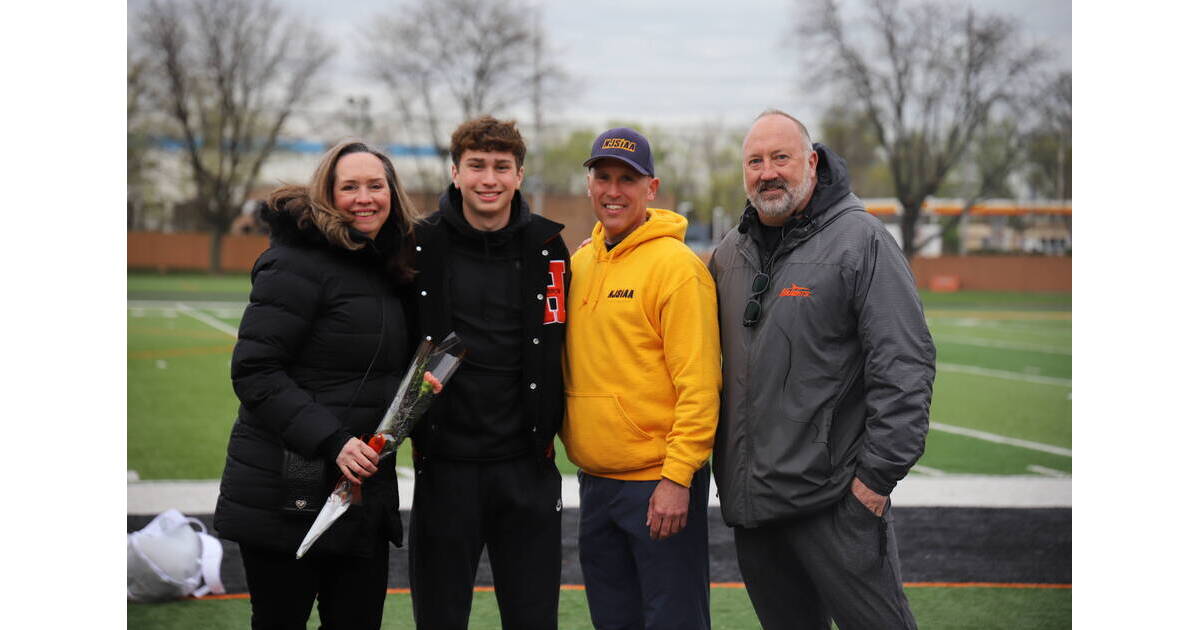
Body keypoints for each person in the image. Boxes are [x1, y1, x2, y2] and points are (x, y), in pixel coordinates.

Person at [707, 110, 936, 630]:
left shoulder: (860, 239)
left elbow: (906, 364)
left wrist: (874, 482)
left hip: (836, 505)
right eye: (755, 161)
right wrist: (611, 248)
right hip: (757, 510)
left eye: (781, 158)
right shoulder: (730, 252)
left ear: (811, 163)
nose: (767, 172)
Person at [214, 141, 422, 629]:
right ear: (327, 194)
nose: (364, 198)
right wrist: (334, 441)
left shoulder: (389, 265)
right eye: (349, 187)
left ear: (393, 194)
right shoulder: (294, 261)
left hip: (359, 495)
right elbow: (256, 371)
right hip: (286, 489)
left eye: (376, 186)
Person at [407, 116, 570, 630]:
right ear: (455, 172)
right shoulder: (418, 244)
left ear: (519, 175)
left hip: (526, 467)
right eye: (476, 165)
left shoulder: (549, 246)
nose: (489, 179)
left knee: (533, 618)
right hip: (445, 467)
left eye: (502, 167)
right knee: (439, 617)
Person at [561, 127, 722, 630]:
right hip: (596, 483)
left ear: (651, 189)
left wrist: (677, 477)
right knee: (613, 620)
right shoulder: (580, 263)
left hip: (658, 484)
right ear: (589, 185)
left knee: (673, 620)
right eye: (603, 177)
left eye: (627, 180)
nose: (613, 191)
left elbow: (700, 385)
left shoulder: (677, 269)